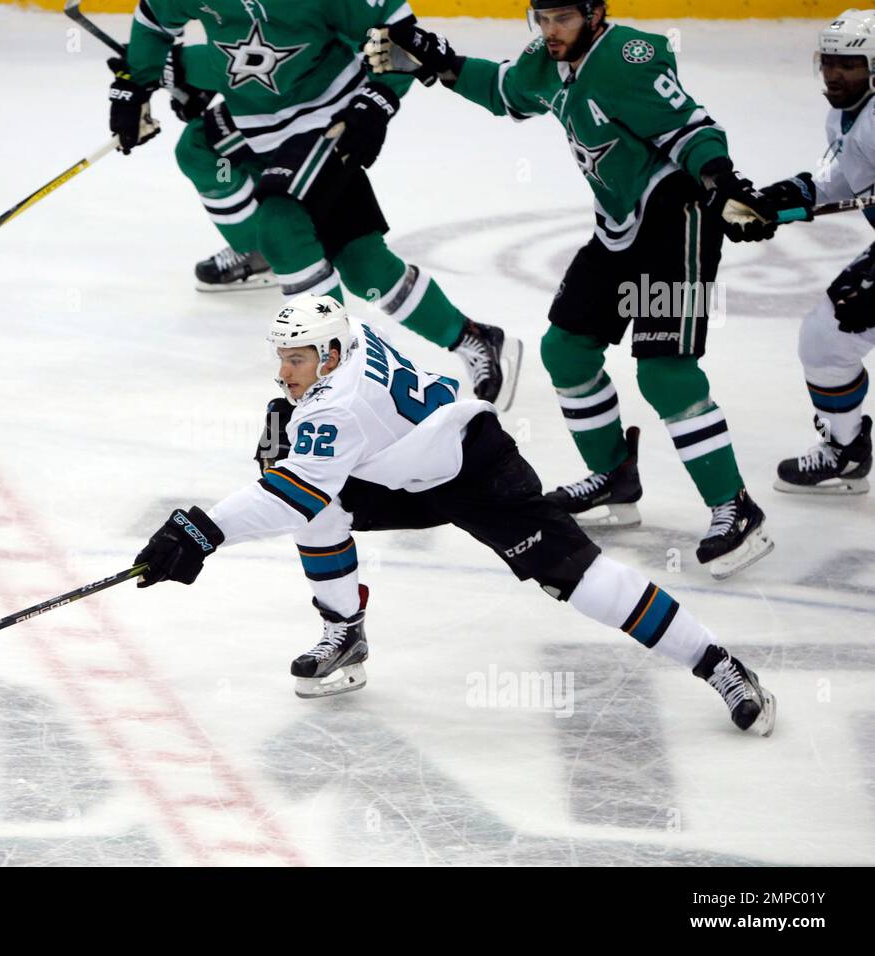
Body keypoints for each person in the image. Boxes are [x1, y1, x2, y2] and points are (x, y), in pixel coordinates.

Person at [132, 295, 776, 736]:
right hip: (402, 469)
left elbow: (289, 492)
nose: (283, 372)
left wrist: (202, 530)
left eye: (295, 359)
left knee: (583, 582)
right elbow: (308, 477)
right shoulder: (347, 341)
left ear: (328, 355)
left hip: (478, 470)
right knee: (315, 500)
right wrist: (286, 440)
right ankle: (345, 631)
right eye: (282, 357)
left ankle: (720, 664)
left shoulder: (335, 406)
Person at [362, 2, 779, 578]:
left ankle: (736, 509)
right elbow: (504, 89)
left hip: (674, 219)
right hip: (617, 227)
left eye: (561, 18)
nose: (549, 30)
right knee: (567, 350)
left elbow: (692, 128)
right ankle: (614, 476)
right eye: (542, 18)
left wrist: (722, 180)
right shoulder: (547, 58)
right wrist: (438, 64)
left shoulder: (630, 57)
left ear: (595, 13)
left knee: (665, 372)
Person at [107, 0, 521, 409]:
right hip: (259, 118)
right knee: (203, 151)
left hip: (329, 116)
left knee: (285, 228)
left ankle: (339, 384)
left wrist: (379, 101)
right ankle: (470, 336)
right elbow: (158, 23)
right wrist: (142, 81)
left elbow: (400, 35)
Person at [739, 8, 875, 494]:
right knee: (826, 339)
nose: (835, 74)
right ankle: (847, 450)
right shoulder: (846, 115)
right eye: (830, 62)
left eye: (850, 65)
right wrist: (783, 197)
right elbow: (840, 181)